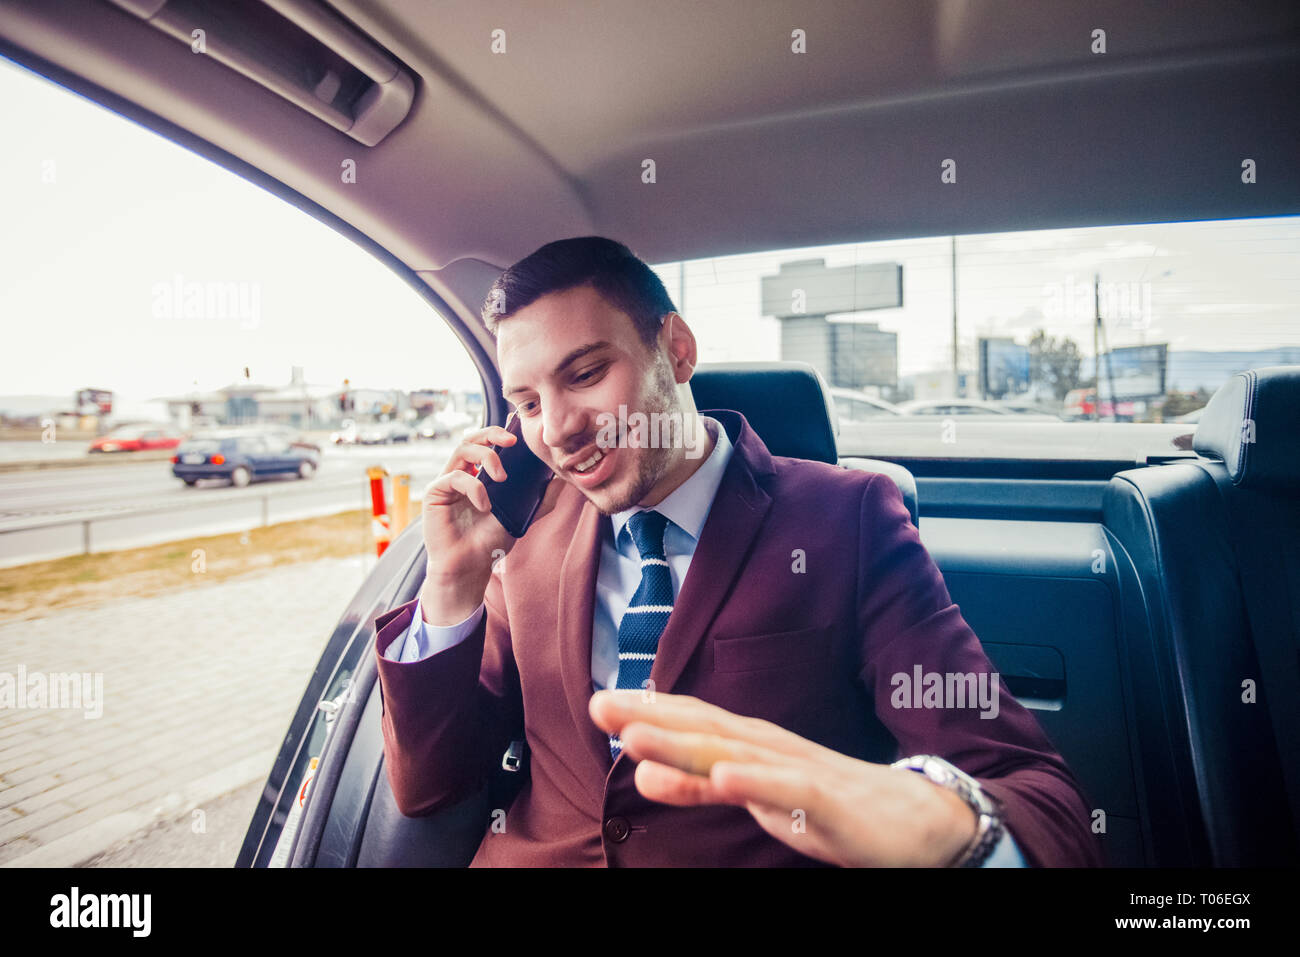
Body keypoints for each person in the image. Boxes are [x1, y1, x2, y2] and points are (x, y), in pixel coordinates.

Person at [372, 236, 1102, 867]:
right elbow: (429, 785)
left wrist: (938, 828)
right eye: (527, 403)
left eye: (586, 374)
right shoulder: (524, 534)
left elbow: (1033, 790)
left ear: (677, 350)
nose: (557, 428)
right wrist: (453, 582)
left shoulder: (845, 520)